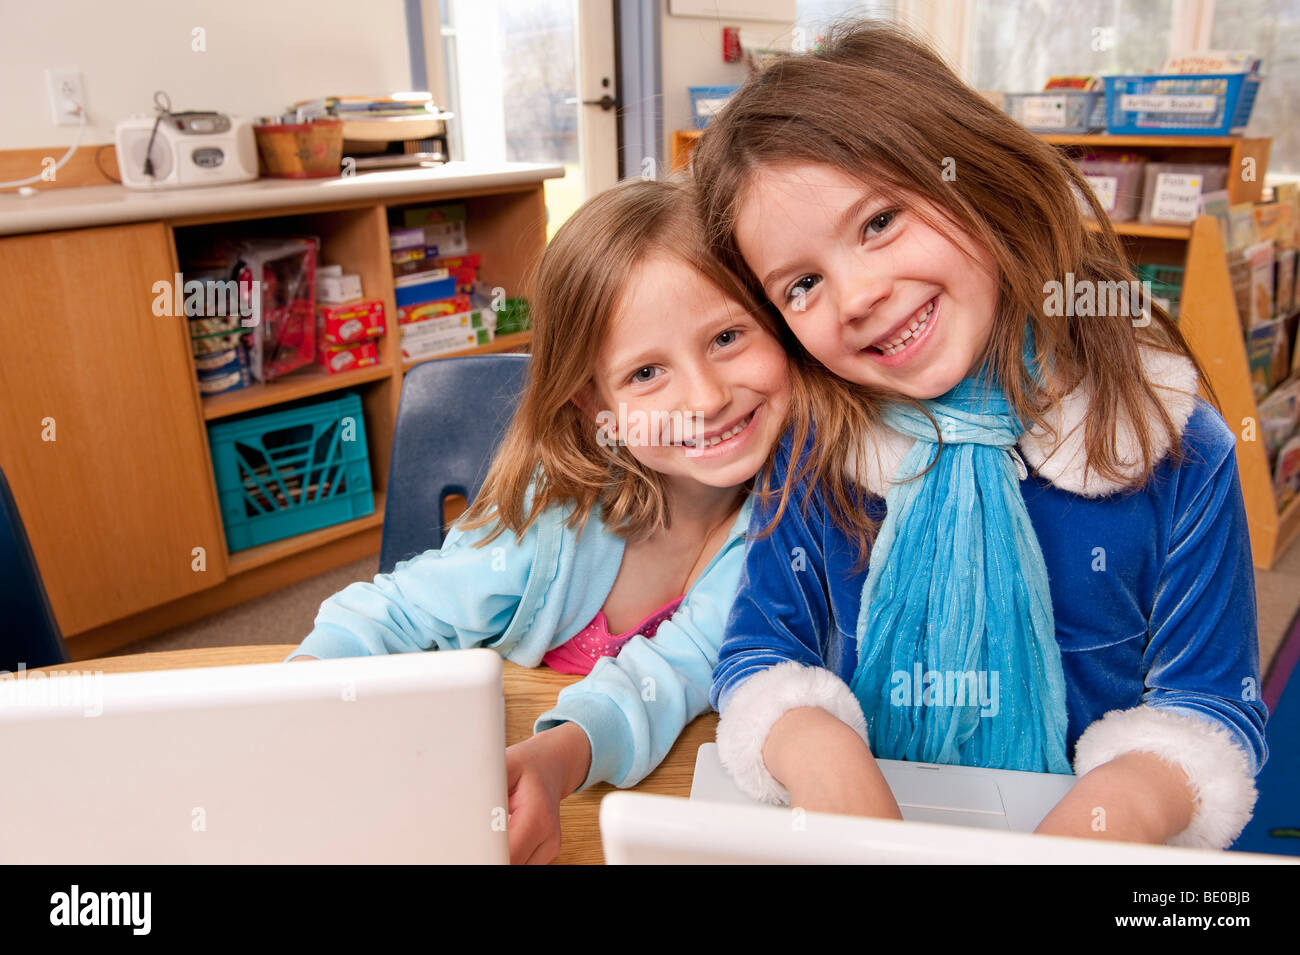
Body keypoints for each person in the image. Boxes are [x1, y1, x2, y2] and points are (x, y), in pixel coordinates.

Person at [691, 19, 1268, 849]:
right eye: (804, 283)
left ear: (980, 184)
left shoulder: (1177, 443)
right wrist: (825, 761)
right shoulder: (816, 444)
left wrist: (1097, 820)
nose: (855, 295)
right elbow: (760, 645)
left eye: (881, 220)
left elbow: (1210, 706)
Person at [286, 175, 814, 863]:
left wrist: (555, 756)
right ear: (595, 406)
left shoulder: (787, 528)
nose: (706, 397)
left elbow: (670, 675)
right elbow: (388, 615)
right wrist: (290, 708)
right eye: (647, 373)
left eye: (727, 336)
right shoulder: (550, 518)